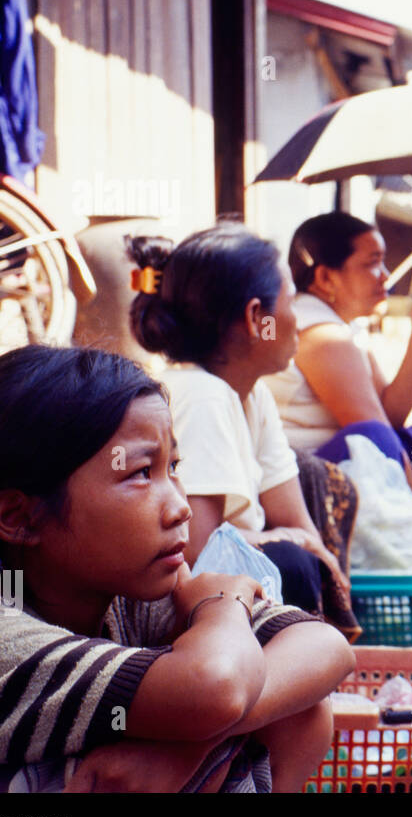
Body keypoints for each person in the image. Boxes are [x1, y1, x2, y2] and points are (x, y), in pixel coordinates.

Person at [0, 345, 355, 792]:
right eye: (141, 473)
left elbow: (326, 647)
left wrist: (182, 749)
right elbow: (216, 687)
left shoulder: (124, 590)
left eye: (174, 467)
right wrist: (224, 603)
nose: (181, 507)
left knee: (302, 709)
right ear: (20, 517)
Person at [127, 225, 355, 629]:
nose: (297, 320)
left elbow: (298, 522)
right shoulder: (201, 395)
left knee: (310, 528)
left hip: (227, 586)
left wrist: (311, 548)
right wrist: (298, 544)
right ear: (256, 318)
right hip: (179, 602)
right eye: (290, 303)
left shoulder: (251, 394)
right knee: (292, 563)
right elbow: (195, 550)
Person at [266, 213, 412, 541]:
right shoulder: (322, 335)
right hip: (308, 483)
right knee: (387, 441)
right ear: (324, 277)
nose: (386, 276)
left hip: (340, 469)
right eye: (372, 263)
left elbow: (391, 415)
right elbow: (378, 436)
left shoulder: (341, 328)